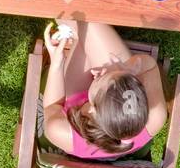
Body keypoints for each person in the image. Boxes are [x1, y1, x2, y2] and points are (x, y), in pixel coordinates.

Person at [40, 21, 168, 160]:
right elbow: (150, 65)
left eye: (101, 77)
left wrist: (57, 64)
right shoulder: (155, 116)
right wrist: (125, 69)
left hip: (75, 102)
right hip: (102, 110)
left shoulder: (61, 131)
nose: (99, 72)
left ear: (91, 108)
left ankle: (75, 31)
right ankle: (75, 32)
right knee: (86, 24)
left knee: (86, 21)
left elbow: (51, 107)